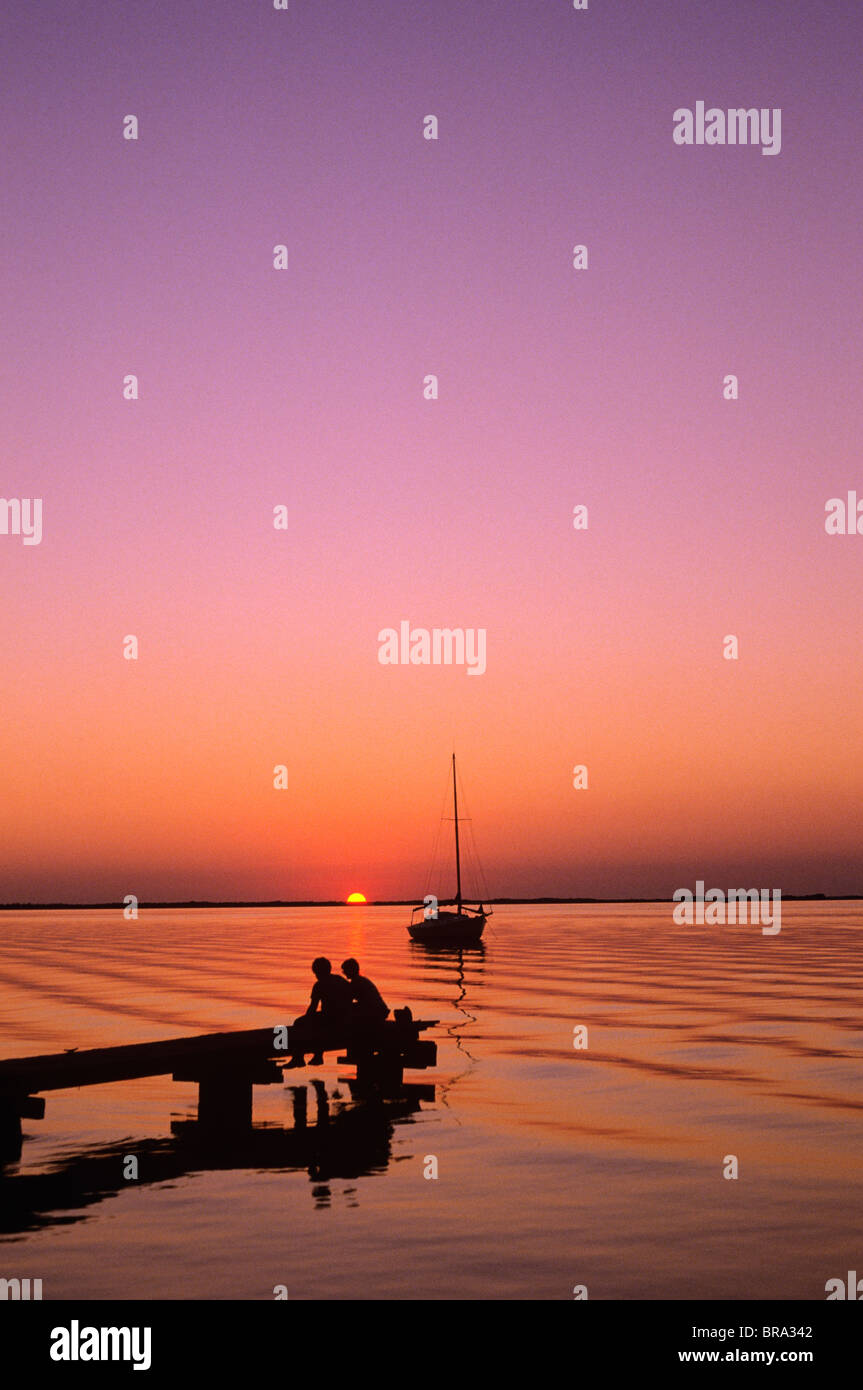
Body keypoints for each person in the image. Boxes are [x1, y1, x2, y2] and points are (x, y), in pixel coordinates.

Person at [286, 957, 353, 1068]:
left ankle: (298, 1058)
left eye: (316, 972)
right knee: (319, 1023)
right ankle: (317, 1056)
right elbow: (350, 998)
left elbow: (313, 1007)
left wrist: (307, 1018)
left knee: (299, 1023)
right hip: (344, 1018)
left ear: (318, 972)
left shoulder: (319, 985)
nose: (316, 975)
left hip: (330, 1018)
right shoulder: (340, 980)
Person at [341, 958, 389, 1023]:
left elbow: (348, 1000)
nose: (344, 973)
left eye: (345, 971)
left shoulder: (356, 983)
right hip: (380, 1009)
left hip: (376, 1011)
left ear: (350, 970)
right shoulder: (361, 980)